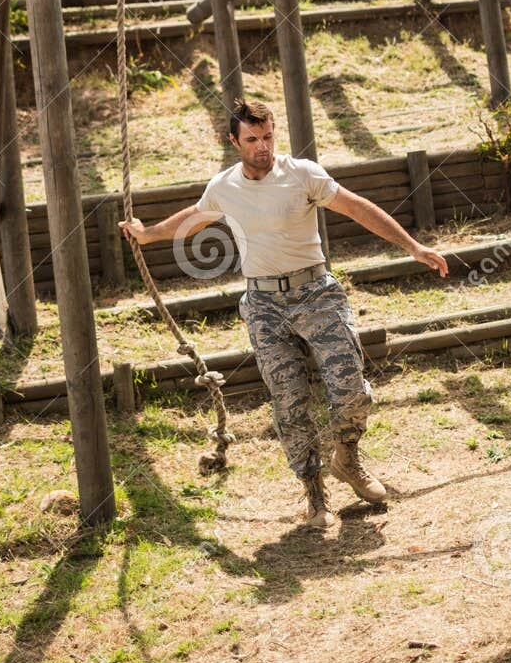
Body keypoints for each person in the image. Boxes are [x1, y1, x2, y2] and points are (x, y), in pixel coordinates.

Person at [120, 99, 449, 529]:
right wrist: (148, 235)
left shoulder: (302, 174)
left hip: (316, 293)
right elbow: (194, 218)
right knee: (288, 401)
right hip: (263, 306)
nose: (262, 146)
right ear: (234, 141)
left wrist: (413, 247)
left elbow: (357, 206)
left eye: (269, 136)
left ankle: (347, 457)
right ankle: (314, 494)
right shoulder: (224, 187)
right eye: (252, 139)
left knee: (350, 385)